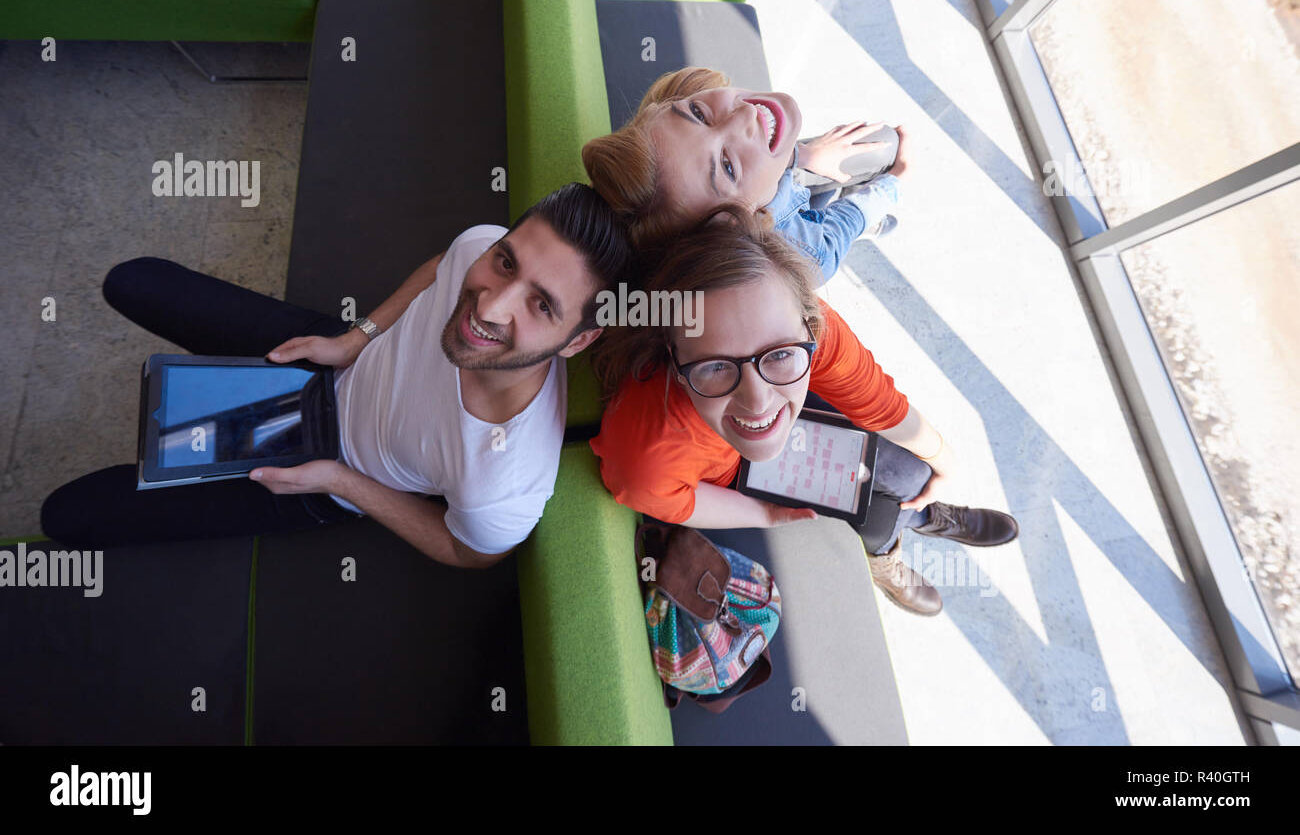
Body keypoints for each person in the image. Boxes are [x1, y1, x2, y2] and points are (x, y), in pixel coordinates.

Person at [41, 183, 635, 568]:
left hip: (327, 464)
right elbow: (440, 265)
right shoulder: (480, 246)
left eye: (542, 306)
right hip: (330, 359)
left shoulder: (506, 483)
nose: (489, 306)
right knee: (133, 280)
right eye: (506, 262)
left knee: (69, 517)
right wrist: (357, 337)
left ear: (578, 340)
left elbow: (463, 548)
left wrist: (340, 483)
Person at [588, 211, 1017, 615]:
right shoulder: (645, 452)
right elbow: (673, 499)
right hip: (730, 472)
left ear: (808, 327)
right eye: (715, 366)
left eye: (779, 354)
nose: (757, 402)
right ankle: (886, 554)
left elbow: (880, 404)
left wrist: (946, 461)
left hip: (787, 411)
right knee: (875, 513)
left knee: (912, 476)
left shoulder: (813, 327)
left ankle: (924, 513)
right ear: (674, 359)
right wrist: (765, 515)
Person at [582, 66, 910, 285]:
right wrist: (891, 183)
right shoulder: (804, 254)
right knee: (865, 184)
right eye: (727, 166)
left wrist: (803, 155)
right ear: (739, 221)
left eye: (697, 113)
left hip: (776, 190)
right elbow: (837, 234)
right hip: (802, 229)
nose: (745, 114)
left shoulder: (730, 181)